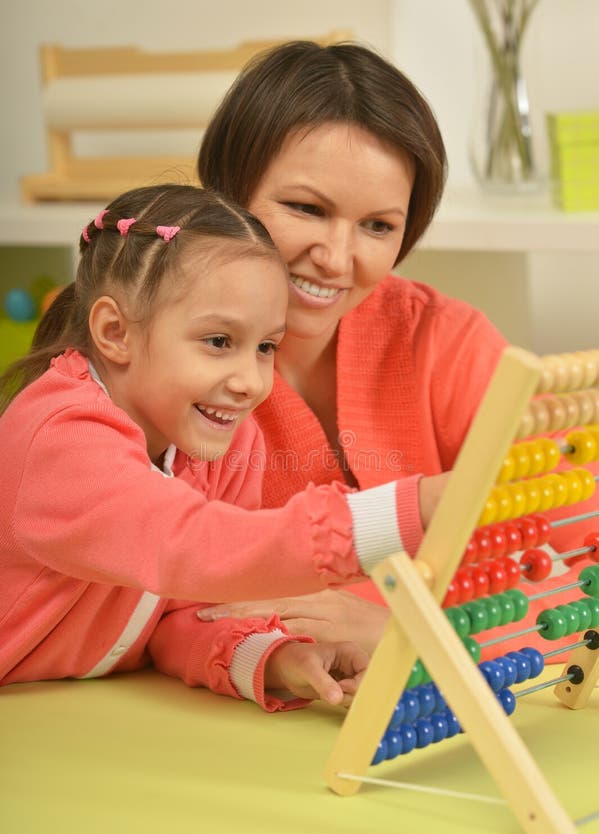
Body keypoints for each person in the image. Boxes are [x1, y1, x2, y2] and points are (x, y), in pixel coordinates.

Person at [0, 183, 441, 712]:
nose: (251, 382)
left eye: (265, 347)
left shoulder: (224, 443)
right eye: (218, 342)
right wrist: (407, 513)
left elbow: (188, 612)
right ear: (115, 331)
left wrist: (272, 658)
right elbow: (193, 546)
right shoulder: (60, 438)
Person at [194, 40, 508, 649]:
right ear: (229, 191)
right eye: (306, 209)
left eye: (378, 226)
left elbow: (574, 540)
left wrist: (413, 634)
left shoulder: (450, 341)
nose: (337, 259)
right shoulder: (163, 362)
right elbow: (167, 588)